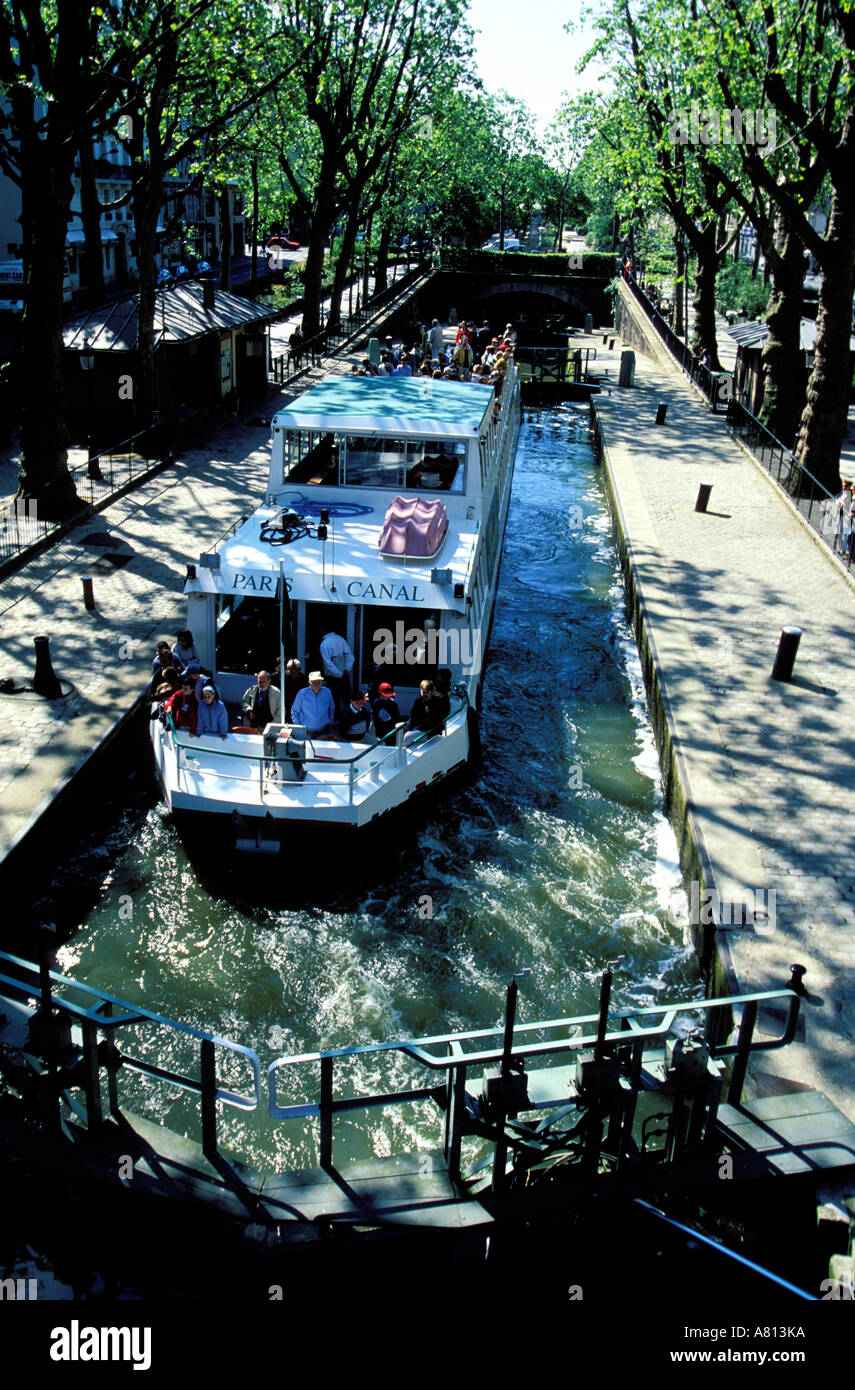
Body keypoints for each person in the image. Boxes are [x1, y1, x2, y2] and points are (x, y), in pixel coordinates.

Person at [290, 671, 335, 738]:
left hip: (323, 731)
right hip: (306, 732)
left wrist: (330, 722)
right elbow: (294, 711)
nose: (317, 684)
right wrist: (299, 728)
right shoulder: (302, 694)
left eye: (319, 682)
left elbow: (332, 708)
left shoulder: (327, 692)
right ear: (309, 682)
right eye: (314, 682)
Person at [404, 679, 444, 743]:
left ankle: (404, 752)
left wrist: (414, 729)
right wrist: (407, 728)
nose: (425, 694)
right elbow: (412, 716)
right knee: (400, 732)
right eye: (423, 692)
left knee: (408, 736)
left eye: (427, 692)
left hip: (430, 731)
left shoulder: (435, 703)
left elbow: (430, 722)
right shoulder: (418, 700)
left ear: (431, 692)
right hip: (418, 729)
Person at [319, 630, 354, 702]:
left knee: (333, 703)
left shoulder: (324, 644)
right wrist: (347, 670)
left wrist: (339, 674)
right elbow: (350, 656)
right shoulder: (341, 639)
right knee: (347, 701)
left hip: (333, 678)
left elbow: (328, 663)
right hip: (344, 676)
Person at [836, 480, 852, 555]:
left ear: (849, 487)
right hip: (840, 514)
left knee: (844, 533)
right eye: (843, 486)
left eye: (846, 486)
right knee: (839, 532)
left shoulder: (850, 495)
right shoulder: (842, 492)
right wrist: (839, 500)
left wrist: (841, 502)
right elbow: (836, 497)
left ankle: (844, 550)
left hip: (846, 516)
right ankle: (840, 548)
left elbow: (848, 504)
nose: (844, 487)